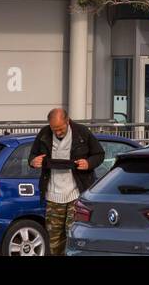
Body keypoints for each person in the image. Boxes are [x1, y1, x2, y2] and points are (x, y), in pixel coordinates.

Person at [28, 108, 107, 255]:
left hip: (76, 194)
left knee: (74, 235)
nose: (57, 132)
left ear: (67, 120)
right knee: (54, 239)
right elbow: (32, 155)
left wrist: (88, 163)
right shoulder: (44, 134)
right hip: (53, 195)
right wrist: (33, 161)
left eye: (60, 128)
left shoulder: (82, 132)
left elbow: (99, 154)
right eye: (54, 129)